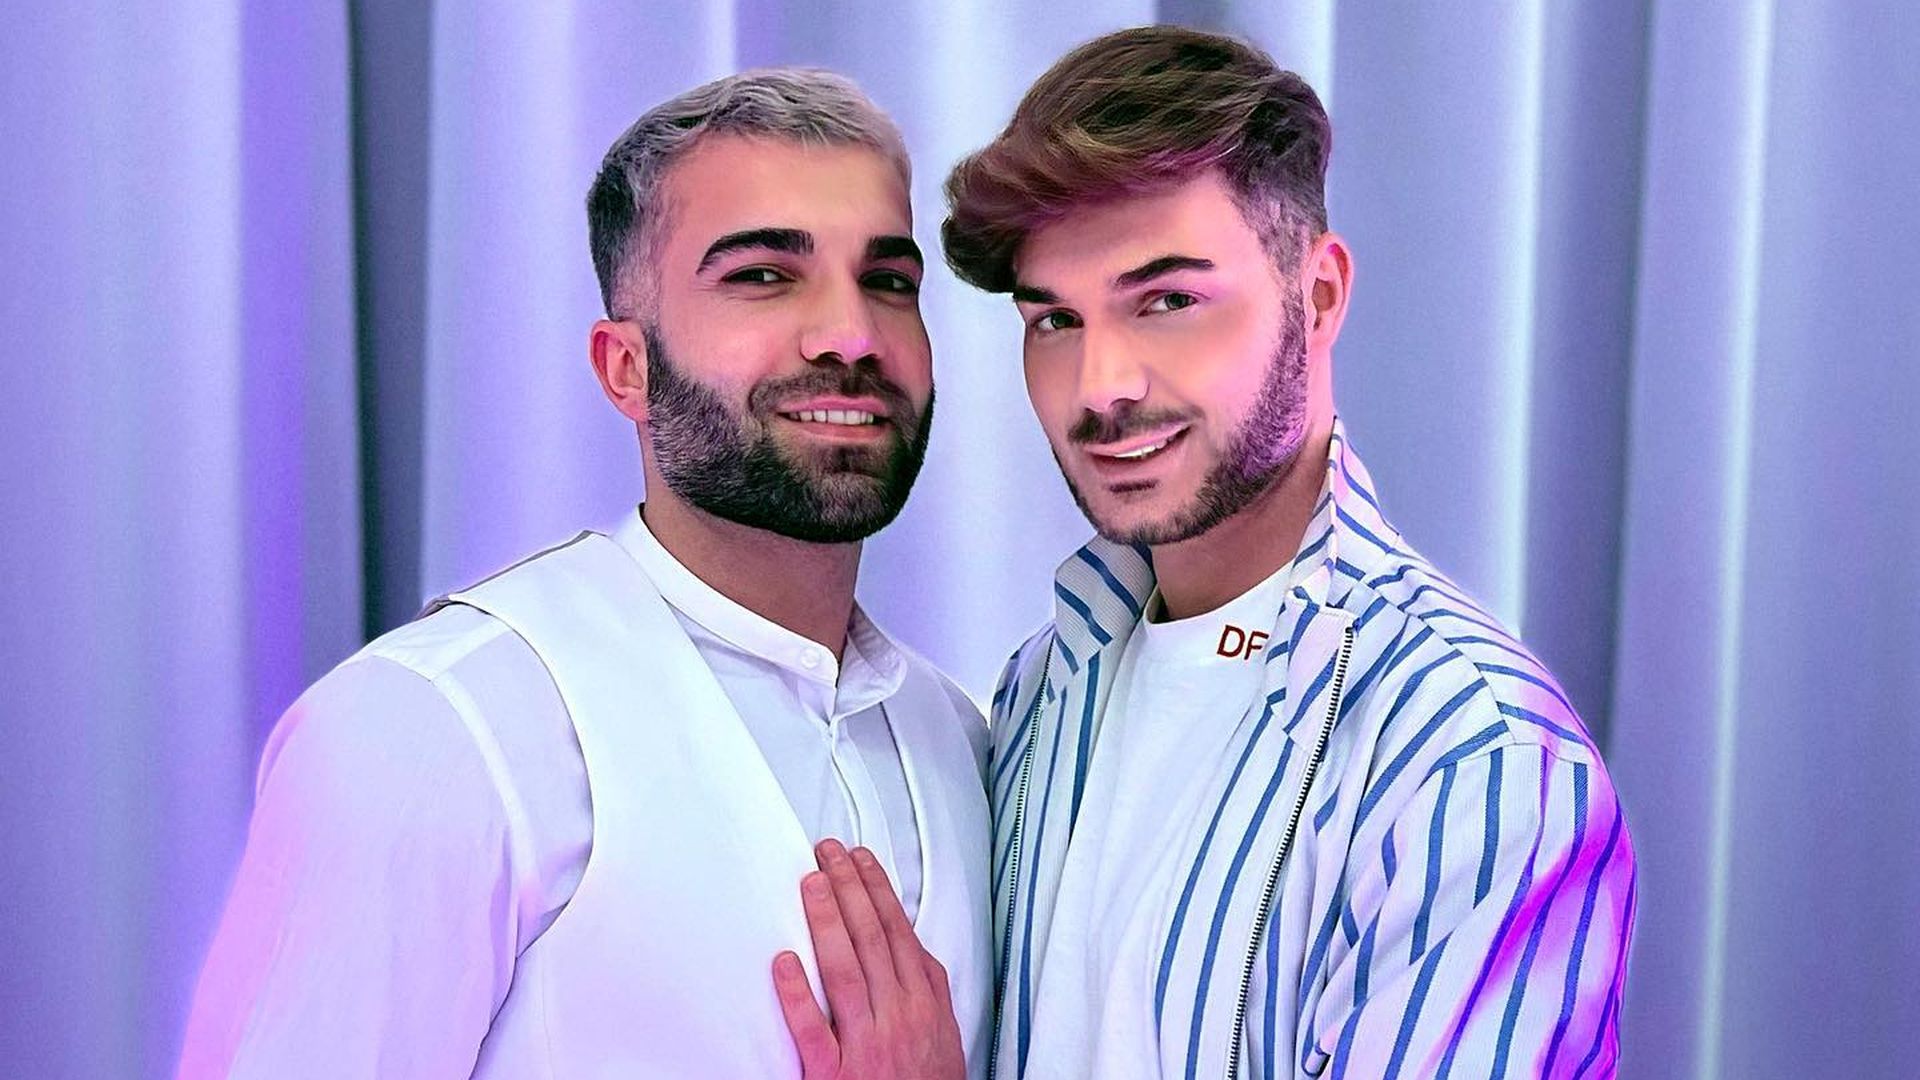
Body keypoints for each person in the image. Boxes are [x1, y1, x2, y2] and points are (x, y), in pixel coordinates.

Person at [787, 25, 1636, 1079]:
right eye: (1055, 321)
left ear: (1317, 297)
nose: (1102, 386)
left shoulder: (1472, 760)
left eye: (1169, 301)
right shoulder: (1046, 689)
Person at [179, 68, 989, 1079]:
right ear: (624, 368)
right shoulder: (433, 730)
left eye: (890, 281)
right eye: (762, 276)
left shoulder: (962, 742)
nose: (852, 336)